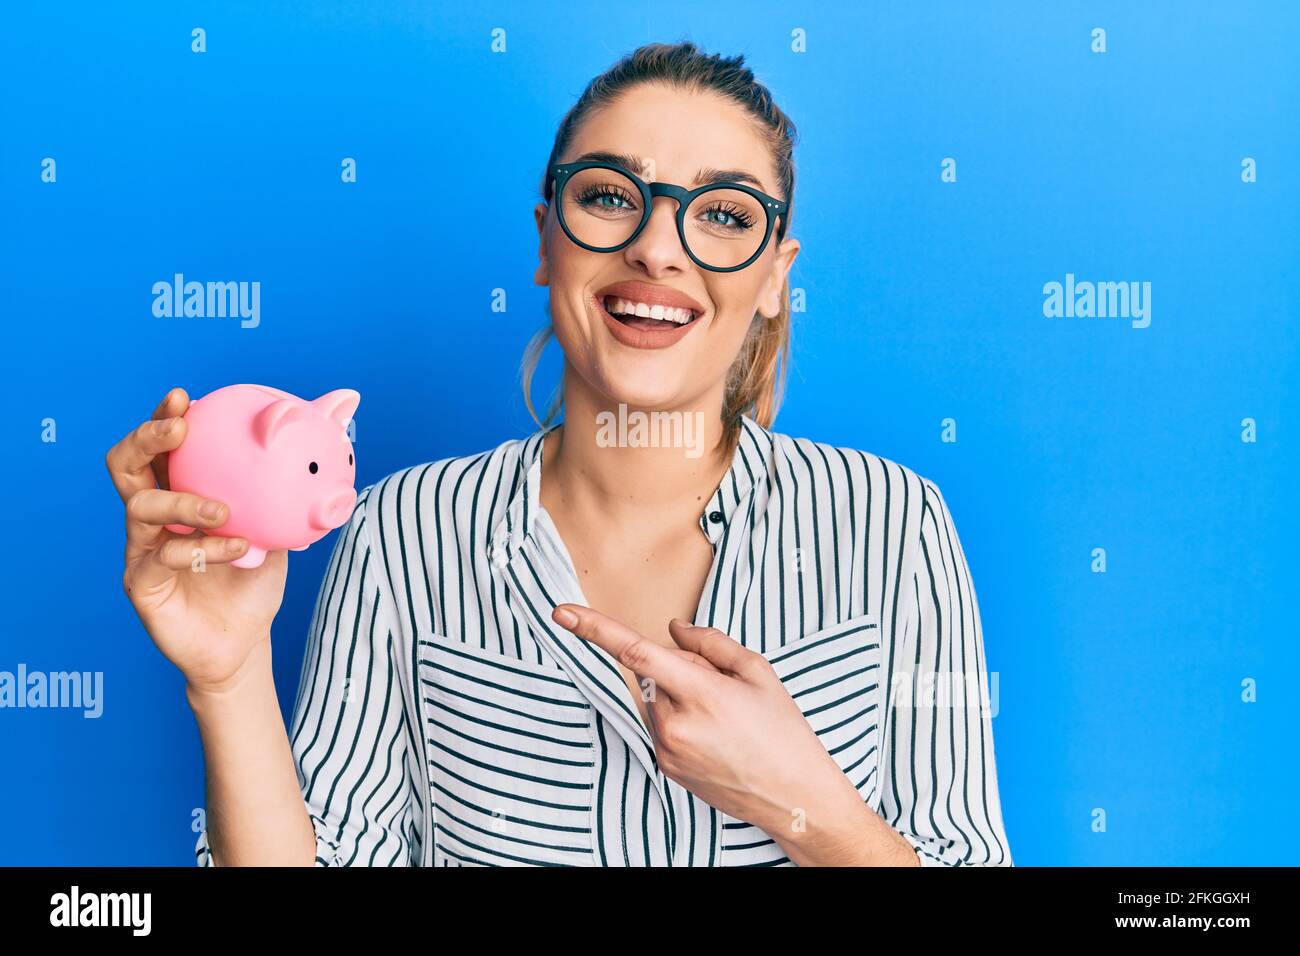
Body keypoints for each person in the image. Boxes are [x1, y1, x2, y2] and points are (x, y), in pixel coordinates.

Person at [105, 41, 1012, 867]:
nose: (659, 248)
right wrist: (226, 679)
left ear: (776, 273)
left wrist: (801, 803)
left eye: (726, 215)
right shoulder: (402, 533)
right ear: (548, 238)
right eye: (611, 196)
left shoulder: (896, 524)